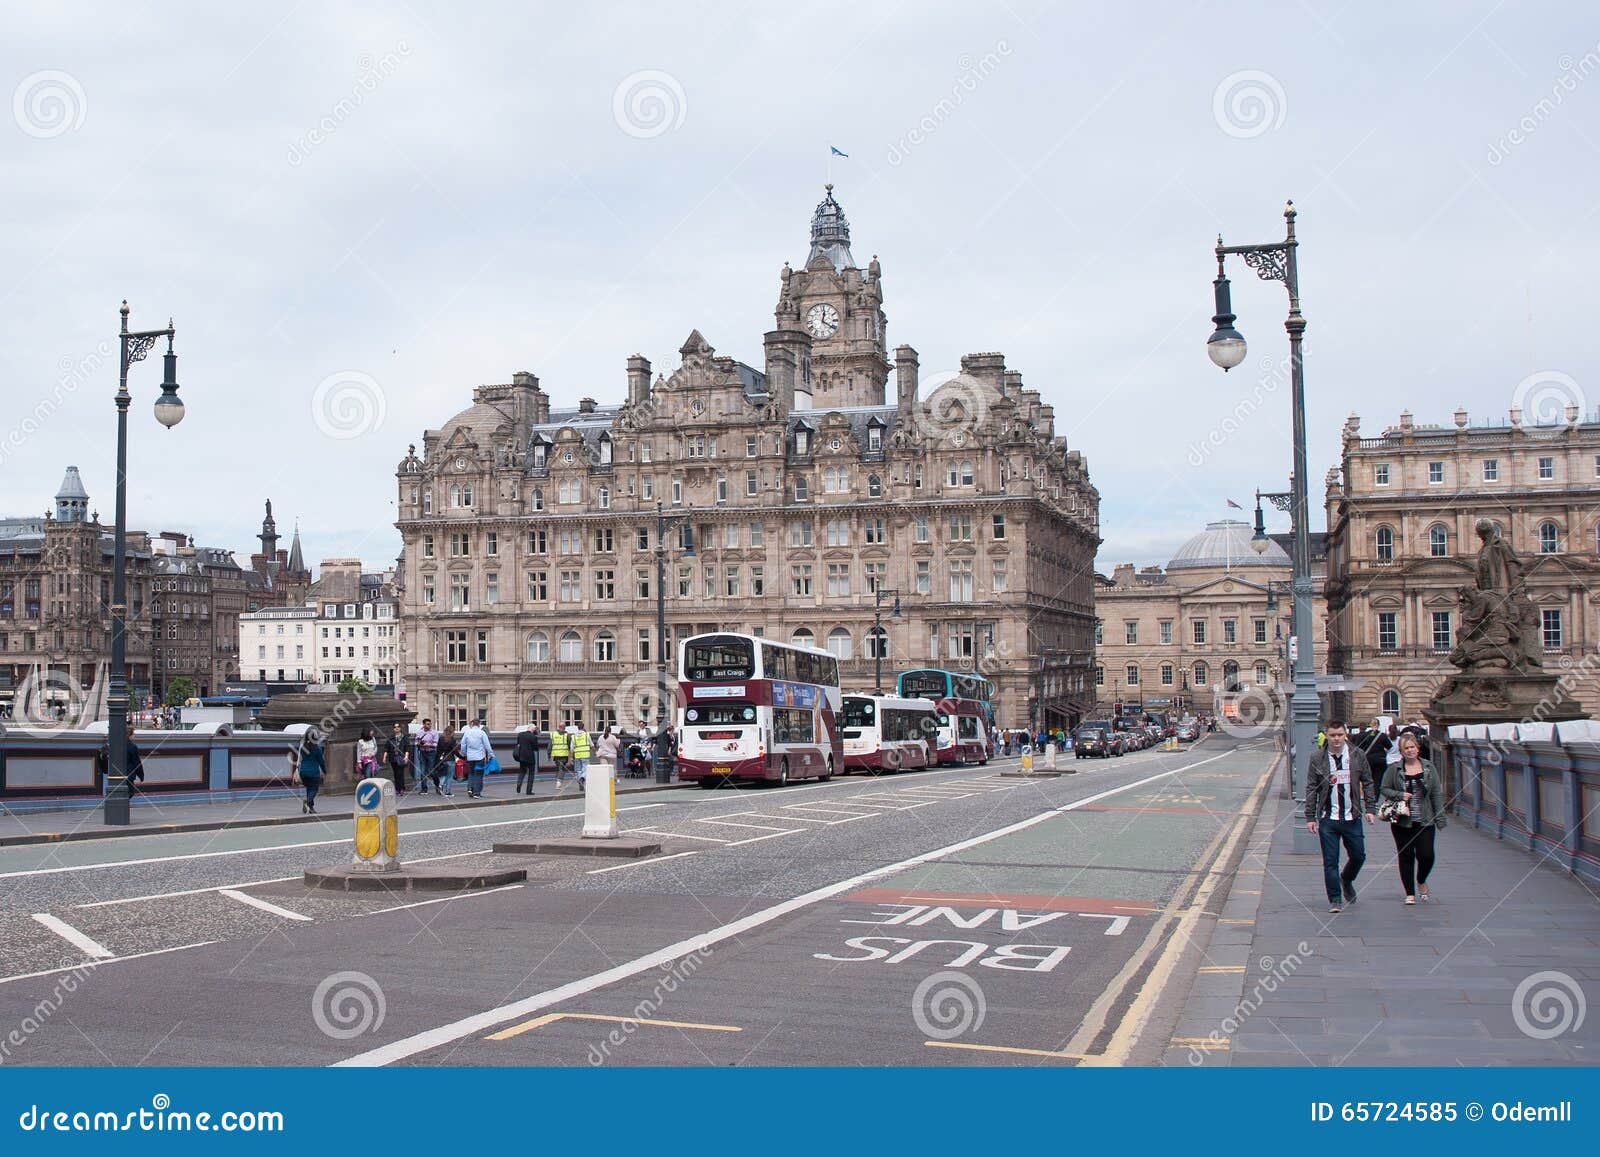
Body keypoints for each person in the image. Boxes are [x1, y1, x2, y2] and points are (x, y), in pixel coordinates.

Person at [1305, 720, 1377, 913]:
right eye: (1332, 735)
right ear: (1326, 736)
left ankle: (1346, 879)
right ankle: (1335, 899)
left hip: (1352, 817)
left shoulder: (1357, 755)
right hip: (1328, 818)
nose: (1336, 739)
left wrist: (1370, 808)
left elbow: (1368, 782)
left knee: (1358, 856)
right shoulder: (1317, 758)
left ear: (1345, 735)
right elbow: (1311, 787)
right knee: (1330, 861)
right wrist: (1310, 817)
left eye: (1339, 735)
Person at [1380, 731, 1447, 905]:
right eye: (1405, 748)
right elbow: (1384, 789)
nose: (1409, 750)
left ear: (1417, 748)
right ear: (1401, 751)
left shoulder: (1428, 767)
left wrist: (1440, 818)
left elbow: (1436, 794)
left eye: (1412, 747)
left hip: (1425, 820)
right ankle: (1409, 893)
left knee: (1427, 856)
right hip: (1402, 821)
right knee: (1406, 856)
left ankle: (1421, 879)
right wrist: (1400, 794)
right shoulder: (1394, 769)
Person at [289, 730, 326, 815]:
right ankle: (308, 801)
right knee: (314, 789)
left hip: (303, 771)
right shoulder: (317, 749)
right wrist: (325, 771)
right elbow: (321, 761)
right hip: (313, 772)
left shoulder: (303, 748)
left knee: (309, 788)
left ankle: (311, 807)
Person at [459, 717, 493, 798]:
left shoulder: (467, 733)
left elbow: (463, 744)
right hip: (480, 757)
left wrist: (464, 753)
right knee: (479, 775)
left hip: (470, 757)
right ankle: (477, 792)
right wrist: (492, 755)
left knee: (471, 773)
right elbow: (487, 745)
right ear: (479, 724)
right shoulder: (482, 733)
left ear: (472, 724)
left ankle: (470, 788)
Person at [381, 722, 410, 795]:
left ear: (400, 728)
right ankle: (397, 788)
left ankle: (402, 788)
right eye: (395, 727)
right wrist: (384, 757)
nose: (396, 728)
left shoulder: (404, 737)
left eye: (398, 727)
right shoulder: (391, 738)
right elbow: (386, 748)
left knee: (400, 773)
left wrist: (406, 756)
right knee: (396, 774)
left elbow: (407, 748)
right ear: (393, 729)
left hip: (401, 757)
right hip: (393, 757)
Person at [414, 718, 440, 794]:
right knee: (422, 771)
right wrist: (419, 743)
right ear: (424, 724)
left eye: (430, 724)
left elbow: (435, 744)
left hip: (431, 753)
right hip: (422, 752)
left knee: (431, 771)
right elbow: (416, 742)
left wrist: (428, 745)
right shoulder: (419, 732)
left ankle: (437, 785)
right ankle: (424, 788)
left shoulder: (434, 733)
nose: (429, 725)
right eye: (427, 724)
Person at [515, 726, 541, 795]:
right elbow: (536, 748)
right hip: (530, 758)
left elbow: (518, 744)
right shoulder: (533, 737)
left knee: (522, 771)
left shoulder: (520, 734)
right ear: (533, 730)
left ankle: (519, 783)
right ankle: (528, 791)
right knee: (531, 774)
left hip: (522, 757)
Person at [434, 725, 458, 797]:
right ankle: (448, 792)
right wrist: (462, 757)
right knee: (449, 776)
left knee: (443, 774)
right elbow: (455, 751)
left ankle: (440, 785)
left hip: (442, 759)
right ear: (452, 732)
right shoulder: (452, 740)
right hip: (450, 759)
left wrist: (438, 759)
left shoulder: (441, 739)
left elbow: (438, 750)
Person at [570, 723, 592, 789]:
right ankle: (582, 779)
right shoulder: (586, 735)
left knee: (578, 769)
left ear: (578, 728)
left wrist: (570, 757)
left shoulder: (574, 736)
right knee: (585, 769)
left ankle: (580, 781)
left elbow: (571, 748)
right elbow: (591, 744)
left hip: (577, 755)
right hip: (585, 754)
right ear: (583, 727)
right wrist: (595, 752)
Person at [549, 724, 571, 789]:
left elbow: (550, 745)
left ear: (559, 727)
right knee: (562, 768)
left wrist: (549, 754)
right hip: (564, 754)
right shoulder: (567, 735)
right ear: (564, 728)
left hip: (556, 755)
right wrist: (571, 756)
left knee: (558, 767)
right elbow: (570, 746)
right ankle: (559, 781)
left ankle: (558, 780)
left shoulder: (553, 734)